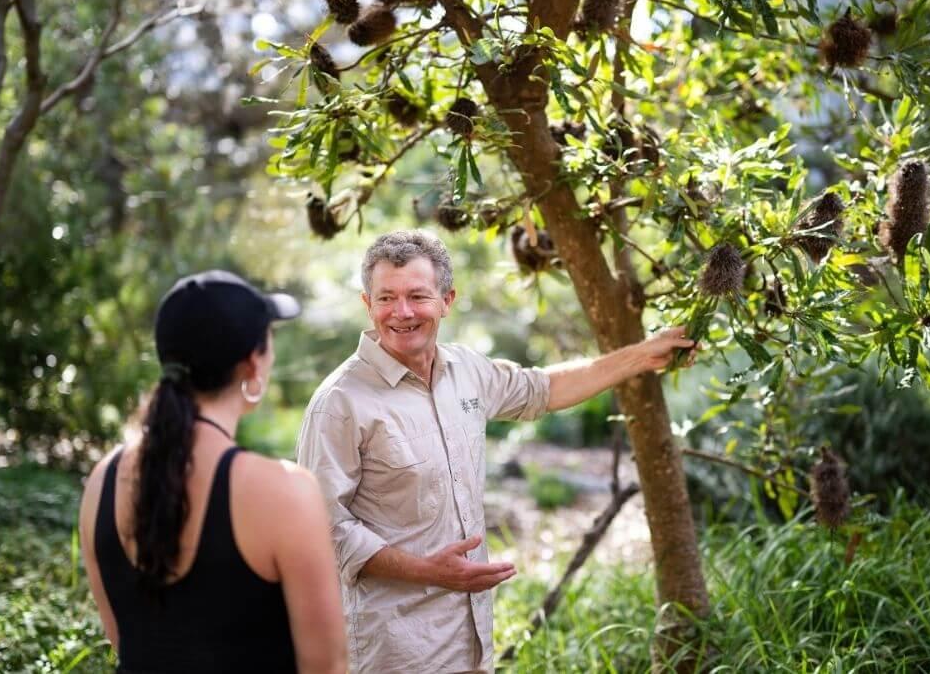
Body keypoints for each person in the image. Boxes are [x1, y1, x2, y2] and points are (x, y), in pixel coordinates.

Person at [296, 231, 697, 673]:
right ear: (367, 304)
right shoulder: (340, 402)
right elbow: (321, 527)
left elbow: (544, 388)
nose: (402, 312)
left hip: (471, 640)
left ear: (447, 300)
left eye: (417, 296)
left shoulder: (465, 371)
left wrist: (644, 354)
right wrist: (427, 571)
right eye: (386, 298)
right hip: (396, 650)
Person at [79, 270, 347, 674]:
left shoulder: (103, 479)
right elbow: (326, 666)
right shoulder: (284, 491)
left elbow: (124, 641)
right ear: (253, 363)